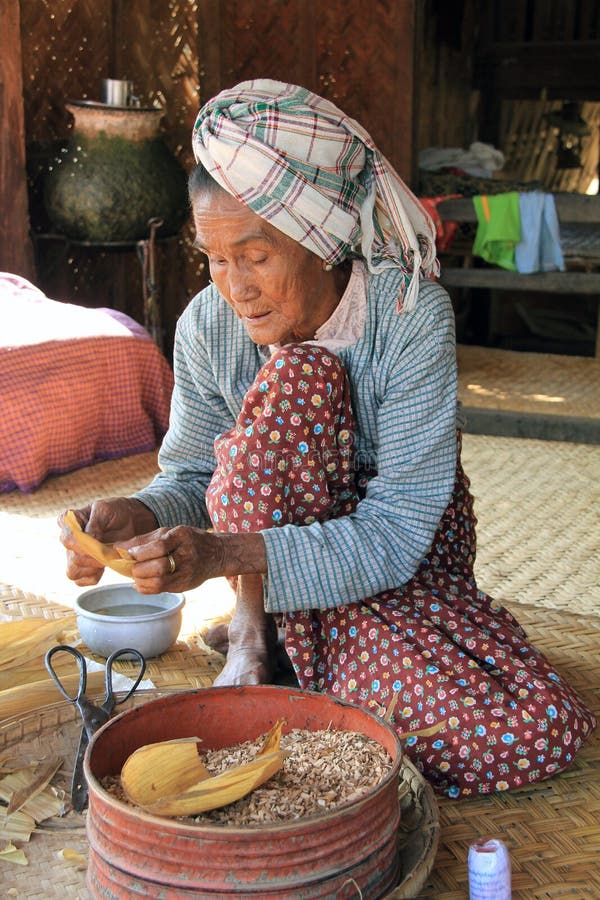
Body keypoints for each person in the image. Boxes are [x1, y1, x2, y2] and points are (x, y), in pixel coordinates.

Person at [60, 79, 595, 799]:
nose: (232, 286)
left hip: (396, 572)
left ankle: (309, 646)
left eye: (255, 256)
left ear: (321, 239)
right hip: (267, 571)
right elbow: (193, 473)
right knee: (295, 378)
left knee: (537, 728)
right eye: (214, 258)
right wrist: (145, 511)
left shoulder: (408, 319)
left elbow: (401, 526)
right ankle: (258, 632)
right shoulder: (206, 327)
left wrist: (224, 553)